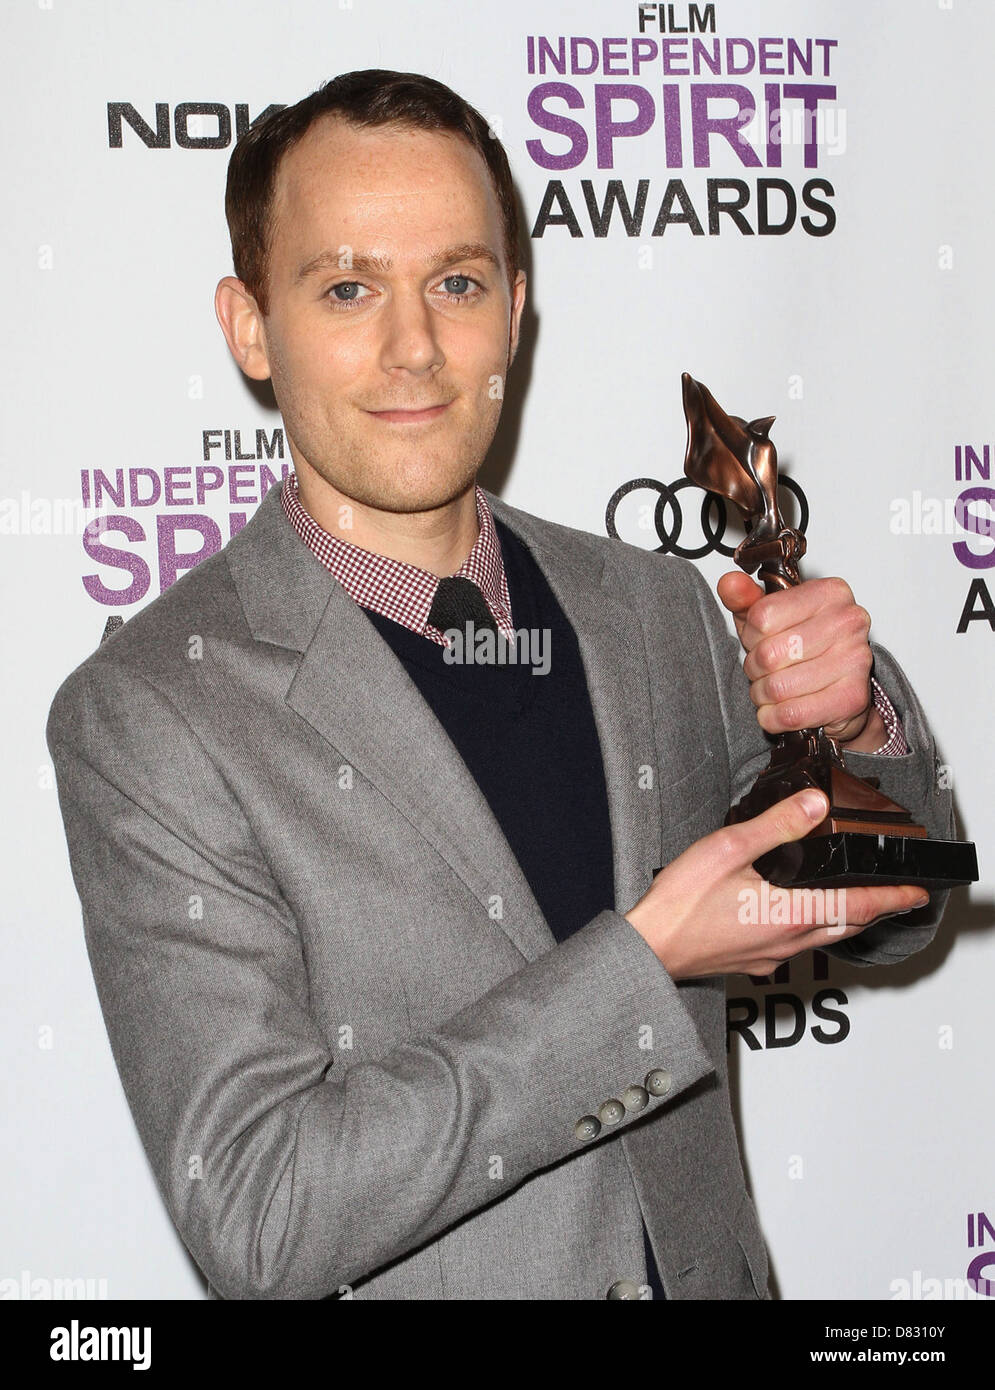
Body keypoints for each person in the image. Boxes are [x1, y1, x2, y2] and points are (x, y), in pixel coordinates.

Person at [47, 69, 952, 1301]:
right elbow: (259, 1214)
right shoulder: (154, 712)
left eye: (458, 283)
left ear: (515, 308)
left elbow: (904, 898)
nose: (414, 345)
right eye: (348, 287)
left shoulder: (651, 608)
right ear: (251, 325)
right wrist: (640, 967)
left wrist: (852, 717)